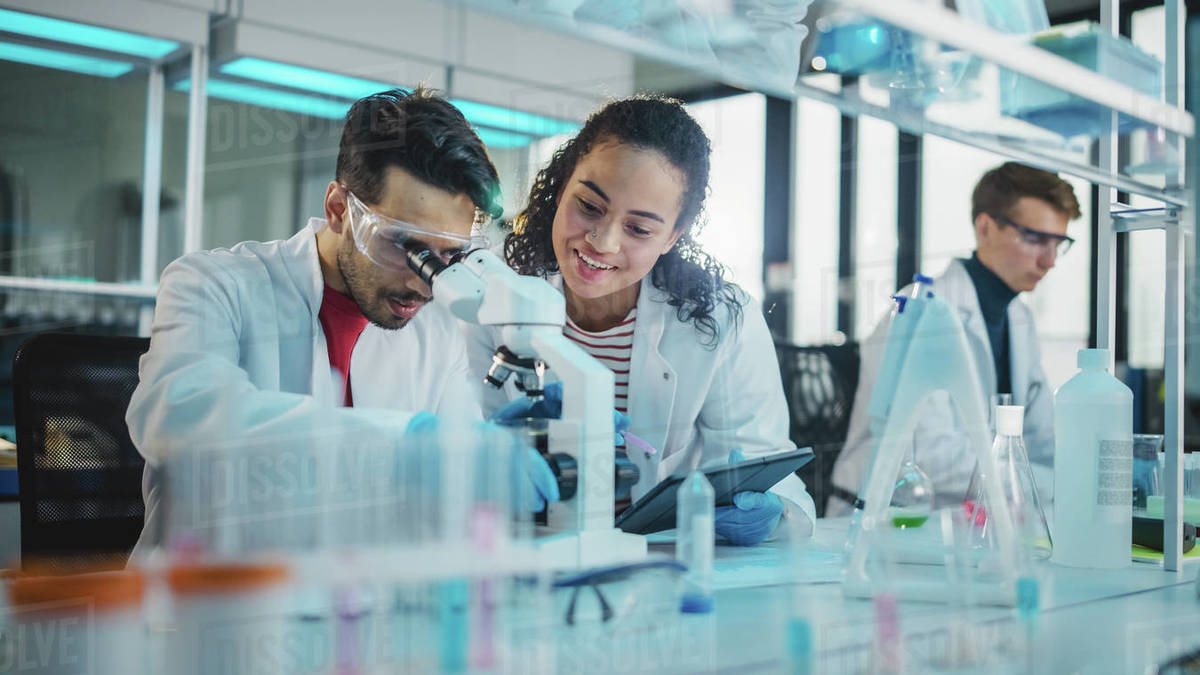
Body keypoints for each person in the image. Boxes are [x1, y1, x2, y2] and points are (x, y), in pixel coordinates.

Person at [126, 87, 556, 558]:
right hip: (213, 594)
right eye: (404, 246)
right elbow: (182, 425)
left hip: (357, 596)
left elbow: (453, 493)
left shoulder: (439, 330)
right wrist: (406, 447)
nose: (424, 282)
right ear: (337, 209)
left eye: (448, 255)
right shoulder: (213, 285)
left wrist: (512, 453)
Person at [472, 96, 816, 545]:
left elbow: (773, 475)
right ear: (562, 187)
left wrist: (771, 515)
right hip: (520, 553)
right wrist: (480, 457)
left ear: (672, 237)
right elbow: (446, 454)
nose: (602, 242)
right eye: (589, 206)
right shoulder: (488, 297)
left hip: (660, 562)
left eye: (639, 229)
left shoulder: (722, 321)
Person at [828, 162, 1081, 515]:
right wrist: (1052, 484)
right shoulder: (921, 310)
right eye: (1036, 239)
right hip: (886, 520)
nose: (1049, 261)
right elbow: (931, 458)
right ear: (985, 227)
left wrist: (1083, 479)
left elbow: (1041, 438)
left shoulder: (1019, 318)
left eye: (1059, 243)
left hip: (970, 518)